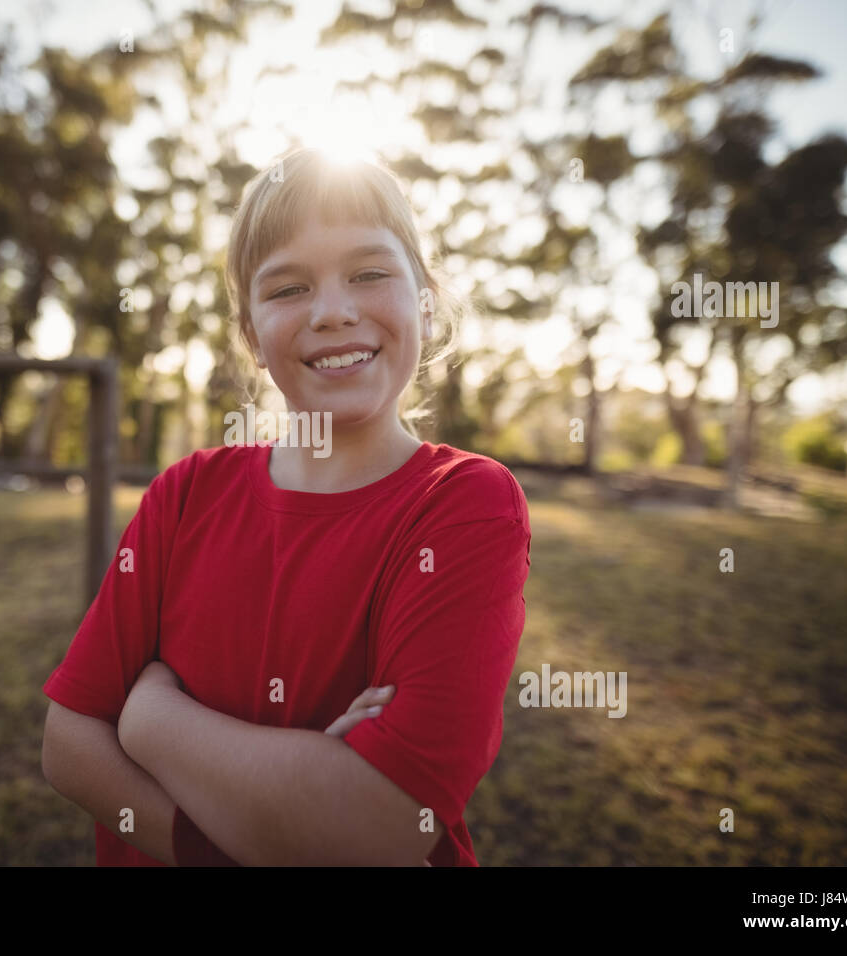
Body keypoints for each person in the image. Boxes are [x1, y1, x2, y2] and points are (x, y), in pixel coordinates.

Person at [40, 146, 532, 866]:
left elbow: (381, 827)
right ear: (250, 335)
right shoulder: (186, 495)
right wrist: (283, 820)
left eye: (369, 273)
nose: (333, 312)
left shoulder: (464, 505)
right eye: (288, 288)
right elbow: (69, 743)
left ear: (424, 299)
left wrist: (150, 718)